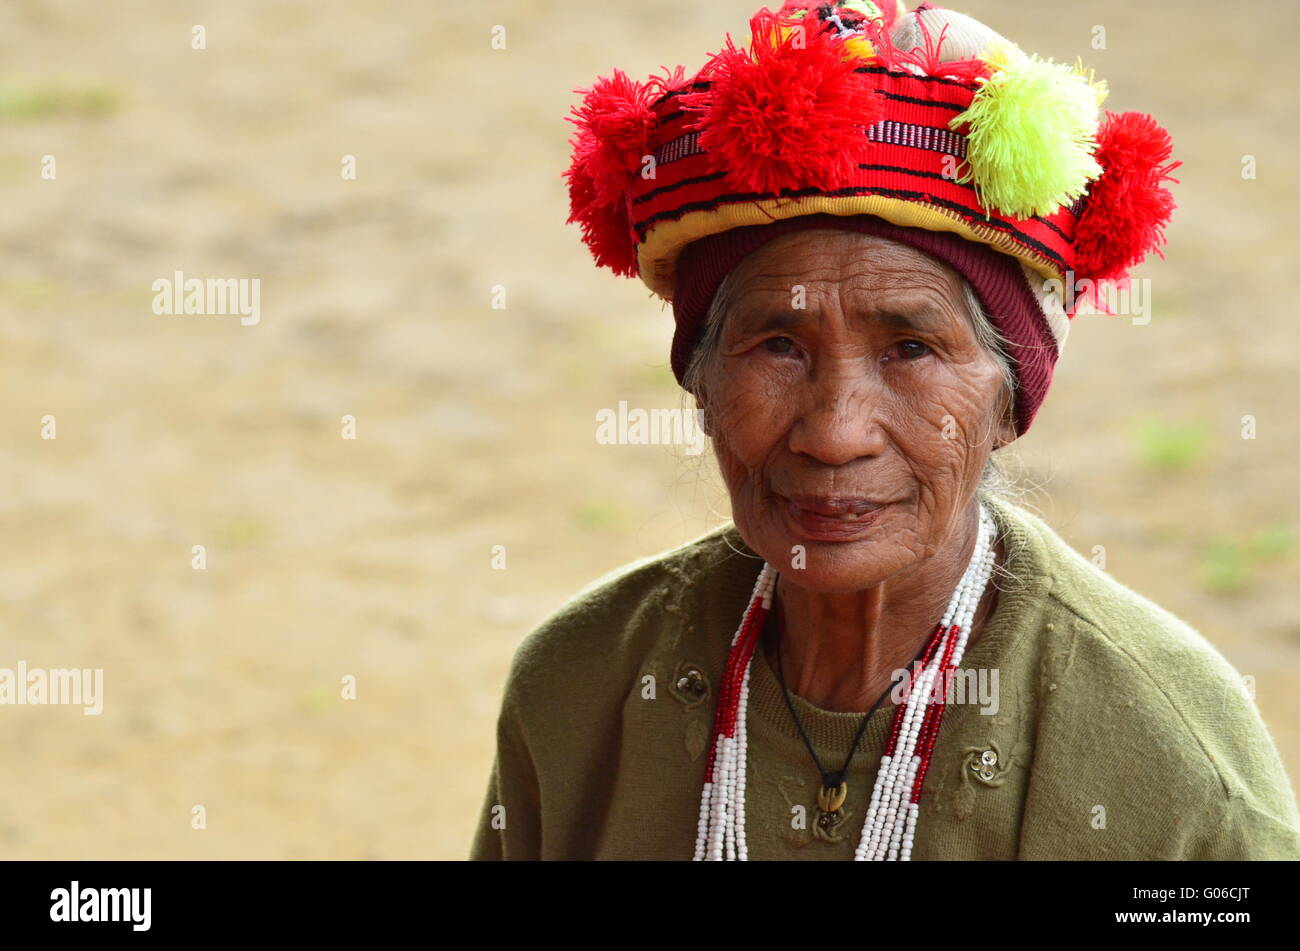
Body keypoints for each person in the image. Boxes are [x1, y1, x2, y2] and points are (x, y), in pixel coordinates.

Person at [469, 0, 1300, 860]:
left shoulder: (1169, 763)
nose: (834, 434)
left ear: (1009, 401)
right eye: (778, 345)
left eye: (910, 346)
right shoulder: (579, 688)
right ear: (701, 383)